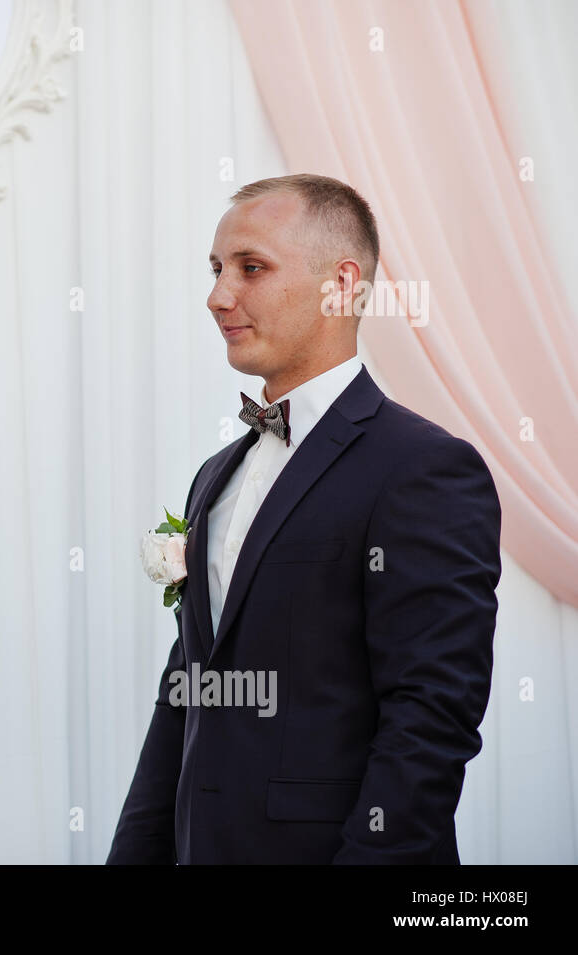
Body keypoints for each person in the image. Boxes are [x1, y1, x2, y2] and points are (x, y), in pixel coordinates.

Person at [107, 174, 502, 864]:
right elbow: (187, 697)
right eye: (216, 269)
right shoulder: (214, 477)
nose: (218, 295)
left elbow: (430, 719)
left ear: (340, 284)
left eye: (250, 268)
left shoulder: (424, 468)